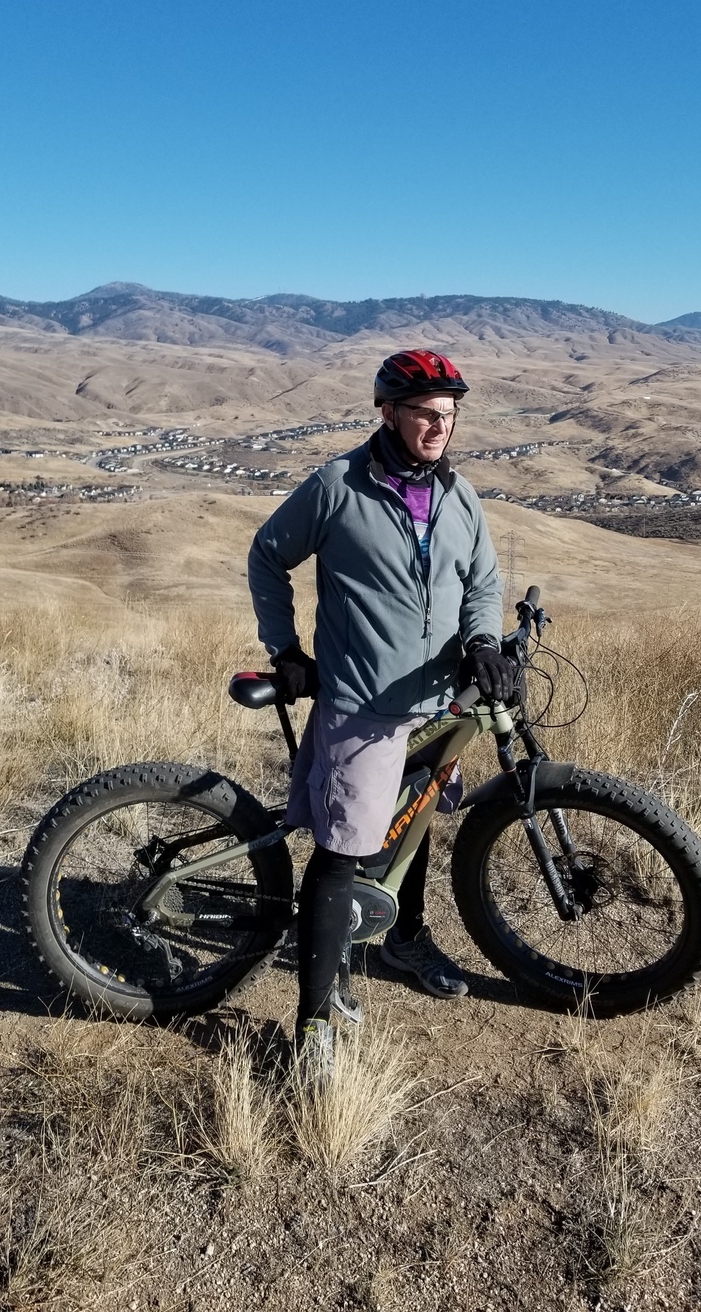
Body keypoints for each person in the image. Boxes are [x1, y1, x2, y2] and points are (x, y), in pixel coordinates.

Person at [247, 349, 516, 1075]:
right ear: (388, 412)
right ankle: (311, 1023)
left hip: (435, 701)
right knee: (342, 854)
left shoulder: (458, 495)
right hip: (363, 705)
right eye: (426, 413)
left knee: (411, 824)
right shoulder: (337, 486)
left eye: (449, 415)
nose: (439, 426)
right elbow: (268, 555)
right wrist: (285, 648)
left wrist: (484, 641)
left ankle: (403, 940)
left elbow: (482, 581)